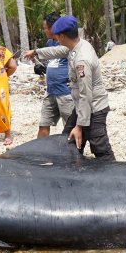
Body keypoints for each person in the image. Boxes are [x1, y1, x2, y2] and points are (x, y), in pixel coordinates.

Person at [25, 15, 115, 160]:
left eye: (56, 36)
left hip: (95, 108)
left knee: (100, 147)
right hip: (82, 106)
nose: (55, 39)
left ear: (61, 36)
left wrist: (79, 126)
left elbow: (86, 95)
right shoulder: (78, 45)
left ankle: (113, 177)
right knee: (69, 140)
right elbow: (57, 51)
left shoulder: (82, 60)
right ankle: (73, 173)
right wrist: (37, 52)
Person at [37, 12, 75, 138]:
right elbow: (53, 62)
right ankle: (40, 153)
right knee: (43, 124)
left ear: (53, 28)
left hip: (65, 93)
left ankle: (73, 155)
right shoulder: (49, 43)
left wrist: (35, 52)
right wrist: (42, 68)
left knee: (70, 127)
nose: (44, 30)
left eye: (45, 28)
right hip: (50, 92)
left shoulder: (67, 43)